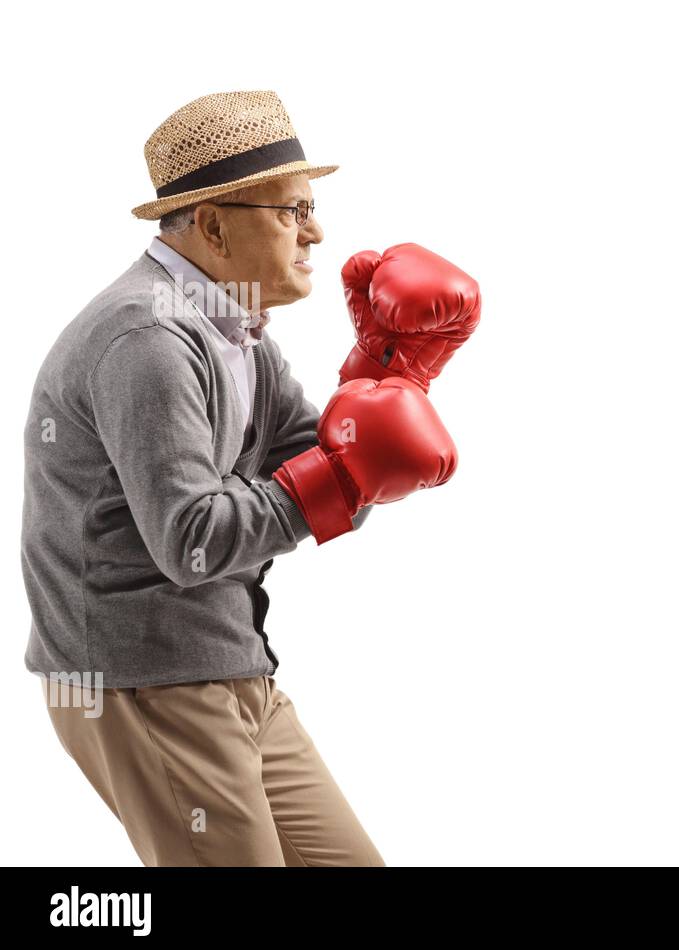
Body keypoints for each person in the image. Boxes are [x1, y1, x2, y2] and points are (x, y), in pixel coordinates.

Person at [22, 90, 478, 866]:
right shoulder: (149, 337)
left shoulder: (233, 326)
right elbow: (191, 540)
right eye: (292, 210)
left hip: (231, 664)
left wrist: (385, 375)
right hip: (145, 681)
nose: (317, 231)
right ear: (212, 223)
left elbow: (328, 480)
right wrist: (340, 471)